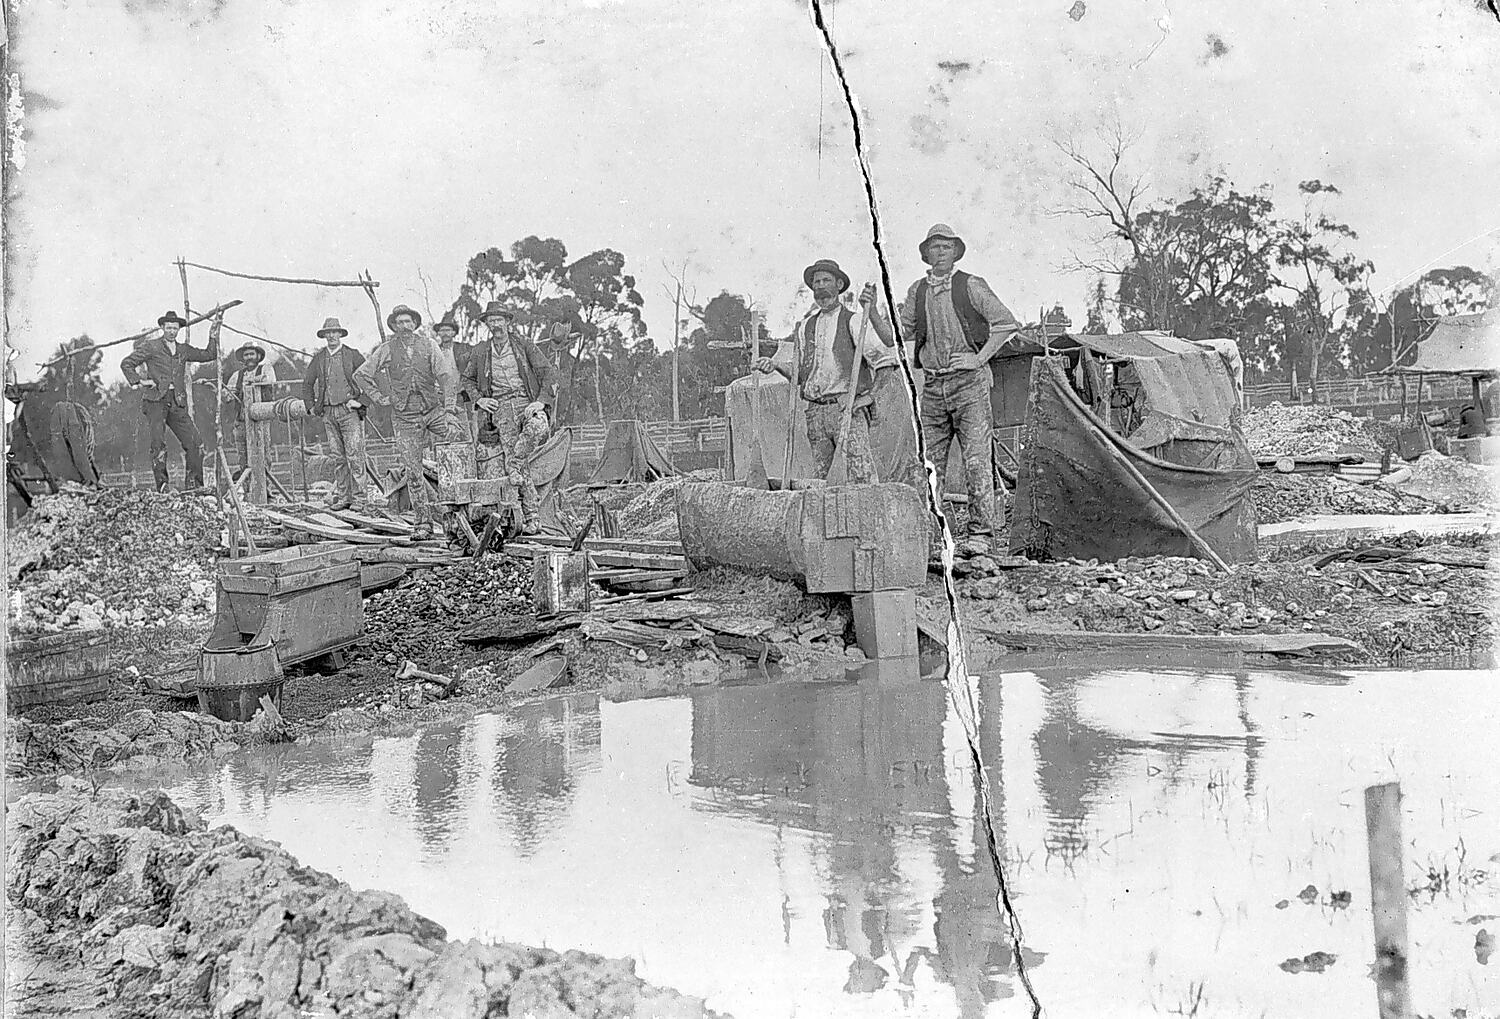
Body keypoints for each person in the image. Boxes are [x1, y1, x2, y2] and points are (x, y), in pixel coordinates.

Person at [898, 224, 1019, 549]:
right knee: (929, 464)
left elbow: (1006, 322)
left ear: (955, 252)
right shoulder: (918, 291)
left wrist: (978, 359)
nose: (940, 253)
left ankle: (980, 536)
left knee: (976, 460)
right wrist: (877, 312)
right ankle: (930, 538)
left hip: (969, 386)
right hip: (934, 387)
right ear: (926, 253)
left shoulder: (970, 285)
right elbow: (898, 334)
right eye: (934, 247)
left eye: (946, 247)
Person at [752, 258, 895, 483]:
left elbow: (885, 362)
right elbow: (801, 374)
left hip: (845, 410)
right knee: (822, 482)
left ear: (839, 285)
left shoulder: (854, 321)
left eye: (826, 280)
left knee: (861, 479)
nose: (820, 286)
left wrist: (869, 397)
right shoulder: (805, 326)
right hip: (815, 414)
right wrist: (776, 365)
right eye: (816, 282)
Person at [353, 305, 457, 539]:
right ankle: (423, 524)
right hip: (405, 416)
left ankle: (464, 512)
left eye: (408, 321)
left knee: (460, 441)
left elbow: (445, 376)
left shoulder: (429, 345)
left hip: (432, 410)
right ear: (394, 326)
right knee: (413, 470)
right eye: (399, 322)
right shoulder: (387, 349)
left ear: (415, 323)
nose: (405, 326)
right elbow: (361, 374)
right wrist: (380, 398)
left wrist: (449, 410)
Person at [459, 300, 558, 534]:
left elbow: (548, 372)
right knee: (520, 468)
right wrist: (479, 400)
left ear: (508, 321)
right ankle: (532, 518)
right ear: (487, 324)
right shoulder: (481, 351)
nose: (496, 324)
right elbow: (467, 380)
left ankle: (513, 463)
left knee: (537, 427)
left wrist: (540, 401)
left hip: (526, 402)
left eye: (499, 319)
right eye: (491, 320)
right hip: (501, 408)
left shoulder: (524, 345)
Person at [120, 309, 221, 492]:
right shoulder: (152, 346)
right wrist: (140, 381)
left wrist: (213, 335)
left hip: (177, 402)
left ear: (179, 329)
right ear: (162, 327)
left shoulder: (183, 350)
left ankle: (194, 485)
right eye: (168, 328)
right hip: (155, 401)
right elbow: (126, 363)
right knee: (158, 444)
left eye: (175, 328)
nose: (172, 332)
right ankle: (163, 486)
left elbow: (209, 355)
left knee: (195, 442)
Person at [302, 317, 370, 511]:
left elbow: (371, 378)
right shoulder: (319, 358)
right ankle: (343, 497)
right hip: (328, 412)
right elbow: (307, 383)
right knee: (337, 457)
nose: (331, 336)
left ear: (341, 334)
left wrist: (361, 401)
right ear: (324, 336)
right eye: (328, 333)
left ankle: (360, 499)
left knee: (355, 455)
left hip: (349, 412)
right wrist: (311, 407)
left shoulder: (353, 355)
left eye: (335, 332)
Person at [221, 341, 279, 473]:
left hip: (261, 420)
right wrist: (224, 392)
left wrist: (253, 381)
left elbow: (269, 380)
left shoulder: (266, 369)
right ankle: (248, 487)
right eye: (246, 355)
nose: (249, 357)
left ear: (258, 356)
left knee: (263, 452)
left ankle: (265, 489)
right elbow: (229, 396)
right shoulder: (237, 375)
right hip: (242, 420)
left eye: (252, 354)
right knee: (243, 455)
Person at [433, 313, 473, 440]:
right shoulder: (435, 351)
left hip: (460, 395)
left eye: (448, 330)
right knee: (442, 433)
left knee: (465, 429)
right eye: (442, 330)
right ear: (438, 333)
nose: (445, 333)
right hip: (440, 397)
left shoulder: (464, 349)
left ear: (454, 333)